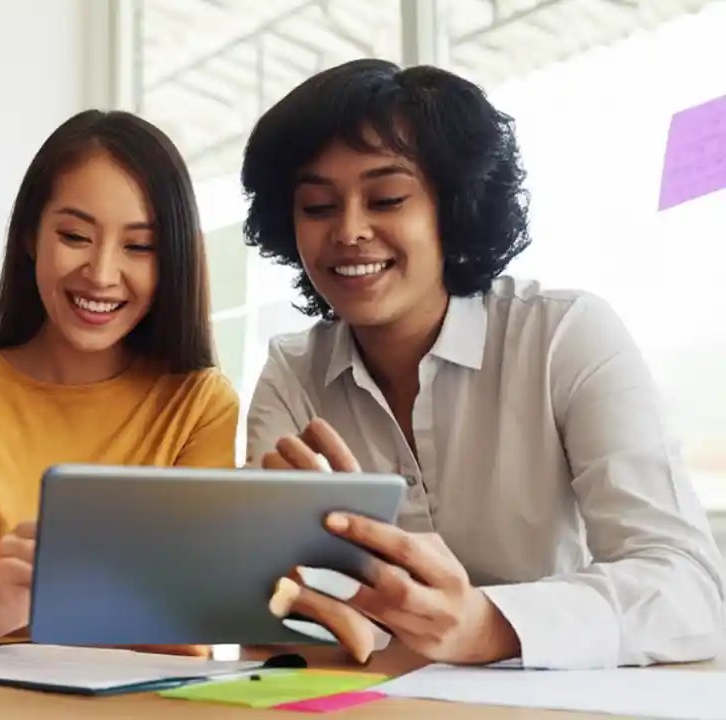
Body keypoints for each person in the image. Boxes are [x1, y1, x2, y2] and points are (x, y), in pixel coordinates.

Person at [243, 59, 726, 669]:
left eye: (387, 198)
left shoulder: (563, 335)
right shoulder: (291, 375)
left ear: (454, 209)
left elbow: (688, 587)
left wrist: (488, 624)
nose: (350, 230)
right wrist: (271, 572)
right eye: (316, 207)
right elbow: (269, 606)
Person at [0, 110, 238, 645]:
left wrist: (58, 591)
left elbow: (187, 616)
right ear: (32, 236)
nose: (102, 274)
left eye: (139, 246)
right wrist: (13, 594)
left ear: (171, 259)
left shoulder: (201, 403)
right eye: (76, 235)